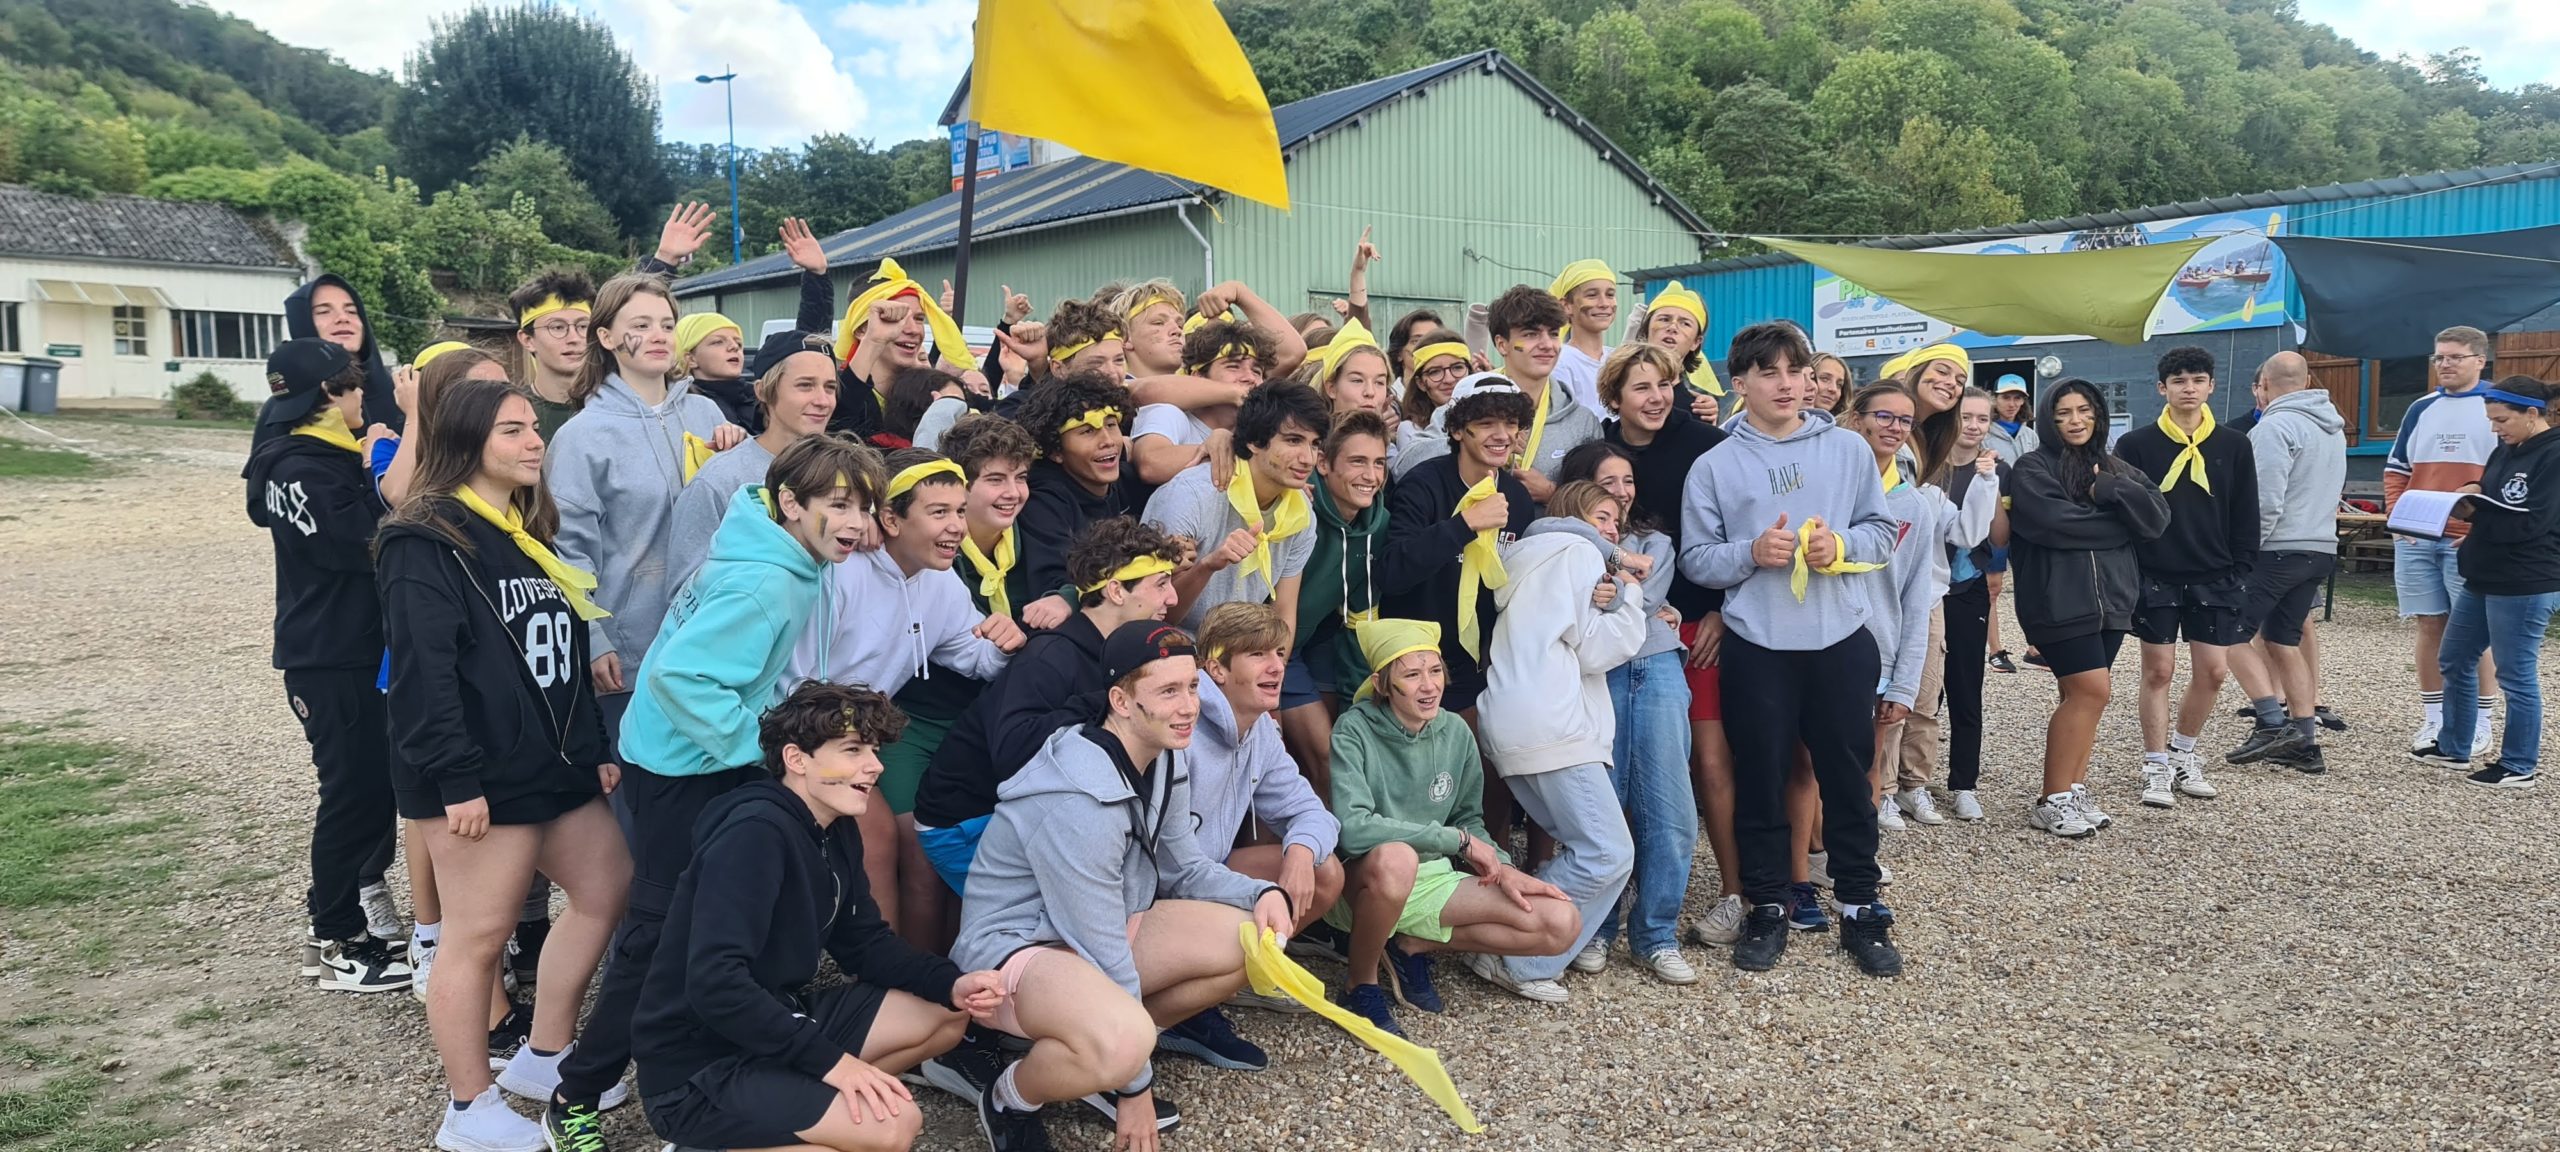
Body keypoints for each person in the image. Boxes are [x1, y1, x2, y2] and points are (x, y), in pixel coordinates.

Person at [543, 436, 882, 1149]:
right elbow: (681, 678)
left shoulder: (788, 551)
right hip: (681, 766)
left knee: (698, 924)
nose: (857, 522)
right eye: (840, 505)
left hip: (698, 753)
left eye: (867, 506)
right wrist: (766, 755)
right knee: (658, 933)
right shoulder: (766, 580)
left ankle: (717, 1065)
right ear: (791, 503)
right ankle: (575, 1091)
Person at [375, 378, 632, 1152]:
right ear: (465, 441)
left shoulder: (528, 532)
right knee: (477, 937)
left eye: (533, 428)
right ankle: (470, 1110)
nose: (534, 442)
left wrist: (591, 749)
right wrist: (457, 780)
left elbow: (562, 657)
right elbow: (425, 670)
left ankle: (545, 1056)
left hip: (550, 765)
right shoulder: (424, 538)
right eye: (513, 430)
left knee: (608, 885)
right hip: (478, 776)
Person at [953, 623, 1293, 1152]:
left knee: (1250, 940)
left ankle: (1098, 1046)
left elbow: (1188, 868)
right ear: (1121, 700)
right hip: (1017, 951)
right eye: (1167, 691)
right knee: (1124, 1042)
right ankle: (1010, 1096)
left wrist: (1263, 893)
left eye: (1193, 686)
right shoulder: (1077, 799)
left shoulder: (1164, 755)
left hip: (1102, 929)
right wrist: (1137, 1086)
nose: (1188, 707)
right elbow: (1099, 944)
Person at [630, 681, 1004, 1152]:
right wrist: (833, 1064)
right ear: (796, 759)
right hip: (699, 1064)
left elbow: (864, 942)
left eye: (872, 749)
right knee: (894, 1127)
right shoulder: (753, 837)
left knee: (946, 1013)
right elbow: (715, 982)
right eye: (852, 750)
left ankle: (789, 1114)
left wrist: (950, 982)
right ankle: (712, 1139)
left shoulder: (834, 825)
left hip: (772, 1024)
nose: (874, 766)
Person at [1677, 322, 1904, 977]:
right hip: (1759, 645)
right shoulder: (1716, 463)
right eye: (1768, 372)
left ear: (1811, 379)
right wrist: (1749, 553)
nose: (1785, 384)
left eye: (1794, 371)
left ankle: (1862, 907)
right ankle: (1767, 905)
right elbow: (1697, 560)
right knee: (1762, 779)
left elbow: (1883, 532)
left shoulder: (1848, 451)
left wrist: (1844, 546)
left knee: (1848, 780)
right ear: (1738, 383)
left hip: (1839, 640)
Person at [786, 450, 1023, 946]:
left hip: (864, 735)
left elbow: (970, 657)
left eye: (960, 511)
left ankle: (934, 973)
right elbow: (796, 677)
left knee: (925, 845)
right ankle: (885, 975)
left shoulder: (941, 580)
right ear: (890, 519)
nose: (957, 525)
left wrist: (1002, 644)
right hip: (805, 732)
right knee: (878, 838)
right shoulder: (842, 571)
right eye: (939, 512)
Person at [244, 336, 410, 993]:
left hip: (350, 650)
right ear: (324, 398)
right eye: (349, 387)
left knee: (370, 792)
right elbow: (365, 543)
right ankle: (336, 936)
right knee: (352, 795)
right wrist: (380, 474)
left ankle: (341, 932)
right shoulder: (300, 467)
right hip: (328, 656)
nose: (360, 397)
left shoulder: (302, 456)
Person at [1324, 620, 1580, 1036]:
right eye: (1411, 674)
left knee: (1560, 923)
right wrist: (1455, 842)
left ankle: (1409, 944)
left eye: (1435, 671)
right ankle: (1360, 982)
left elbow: (1467, 818)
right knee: (1397, 858)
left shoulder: (1456, 730)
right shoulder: (1354, 729)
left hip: (1432, 880)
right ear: (1382, 684)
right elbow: (1353, 830)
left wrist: (1502, 866)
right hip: (1366, 879)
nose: (1429, 686)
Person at [911, 518, 1185, 896]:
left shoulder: (1111, 652)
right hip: (967, 821)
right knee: (1077, 911)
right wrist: (1107, 705)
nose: (1172, 598)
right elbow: (1012, 751)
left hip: (1022, 812)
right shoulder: (1050, 654)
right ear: (1117, 591)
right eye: (1161, 584)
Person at [546, 275, 746, 747]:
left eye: (667, 324)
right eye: (640, 324)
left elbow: (739, 522)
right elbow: (565, 549)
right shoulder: (581, 437)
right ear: (606, 337)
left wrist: (738, 461)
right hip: (632, 654)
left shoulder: (708, 416)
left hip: (715, 638)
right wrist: (593, 638)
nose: (658, 335)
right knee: (641, 799)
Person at [1476, 479, 1649, 999]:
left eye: (1617, 519)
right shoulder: (1576, 553)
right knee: (1608, 852)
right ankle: (1513, 957)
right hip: (1552, 722)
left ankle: (1510, 942)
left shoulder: (1531, 555)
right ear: (1574, 515)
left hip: (1517, 718)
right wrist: (1632, 599)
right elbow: (1594, 651)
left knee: (1585, 847)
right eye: (1602, 516)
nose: (1611, 528)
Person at [1168, 603, 1346, 1063]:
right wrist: (1263, 890)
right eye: (1256, 655)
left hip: (1205, 872)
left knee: (1324, 870)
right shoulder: (1180, 730)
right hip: (1159, 890)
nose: (1276, 667)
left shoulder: (1260, 731)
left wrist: (1301, 852)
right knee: (1256, 913)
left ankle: (1214, 990)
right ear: (1216, 669)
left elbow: (1309, 808)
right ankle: (1167, 1014)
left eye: (1280, 653)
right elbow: (1170, 866)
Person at [1554, 440, 1699, 982]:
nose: (1620, 492)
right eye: (1606, 482)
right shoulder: (1561, 542)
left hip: (1657, 668)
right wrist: (1626, 594)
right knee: (1603, 801)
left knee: (1671, 805)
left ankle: (1656, 934)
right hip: (1594, 675)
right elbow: (1599, 599)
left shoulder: (1655, 541)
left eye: (1627, 481)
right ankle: (1598, 928)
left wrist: (1624, 593)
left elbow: (1627, 598)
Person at [2005, 378, 2172, 839]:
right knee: (2093, 692)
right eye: (2062, 414)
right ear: (2047, 419)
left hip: (2113, 601)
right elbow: (2056, 525)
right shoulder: (2032, 467)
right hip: (2058, 600)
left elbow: (2157, 517)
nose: (2074, 421)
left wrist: (2113, 491)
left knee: (2080, 697)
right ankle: (2052, 798)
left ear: (2097, 414)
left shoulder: (2113, 467)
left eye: (2083, 411)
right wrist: (2122, 525)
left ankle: (2072, 787)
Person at [1379, 373, 1538, 855]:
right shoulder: (1423, 485)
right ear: (1456, 430)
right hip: (1418, 656)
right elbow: (1391, 570)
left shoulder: (1518, 496)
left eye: (1510, 424)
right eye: (1485, 422)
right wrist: (1464, 525)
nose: (1500, 435)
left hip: (1482, 664)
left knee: (1489, 775)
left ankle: (1490, 868)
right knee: (1417, 783)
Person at [2114, 347, 2260, 802]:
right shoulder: (2136, 445)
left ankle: (2184, 752)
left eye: (2197, 380)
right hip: (2156, 571)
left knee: (2214, 671)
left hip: (2215, 572)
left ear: (2212, 386)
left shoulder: (2235, 444)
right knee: (2159, 671)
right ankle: (2155, 764)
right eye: (2178, 381)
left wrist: (2242, 566)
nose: (2188, 389)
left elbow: (2245, 510)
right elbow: (2123, 511)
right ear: (2162, 388)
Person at [2420, 376, 2558, 787]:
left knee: (2515, 674)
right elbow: (2494, 492)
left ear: (2532, 414)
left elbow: (2534, 521)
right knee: (2454, 658)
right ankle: (2454, 746)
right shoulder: (2507, 448)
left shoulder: (2554, 456)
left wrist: (2476, 512)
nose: (2495, 429)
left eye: (2502, 420)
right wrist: (2472, 492)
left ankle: (2519, 765)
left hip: (2526, 579)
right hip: (2483, 573)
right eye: (2491, 420)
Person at [2224, 352, 2349, 772]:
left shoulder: (2274, 427)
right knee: (2283, 638)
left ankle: (2271, 722)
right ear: (2307, 380)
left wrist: (2242, 553)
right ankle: (2306, 743)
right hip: (2319, 547)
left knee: (2227, 630)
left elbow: (2265, 500)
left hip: (2277, 547)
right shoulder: (2332, 427)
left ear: (2262, 385)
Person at [2387, 325, 2504, 756]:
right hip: (2418, 536)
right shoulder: (2421, 407)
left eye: (2455, 356)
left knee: (2475, 632)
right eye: (2439, 357)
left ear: (2479, 360)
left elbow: (2508, 476)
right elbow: (2397, 467)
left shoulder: (2497, 406)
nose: (2445, 364)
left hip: (2468, 538)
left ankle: (2480, 720)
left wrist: (2484, 528)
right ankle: (2434, 719)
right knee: (2428, 624)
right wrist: (2399, 518)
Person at [668, 331, 848, 586]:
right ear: (763, 391)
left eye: (830, 387)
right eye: (805, 385)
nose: (822, 401)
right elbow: (684, 588)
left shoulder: (846, 472)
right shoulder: (721, 479)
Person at [1145, 380, 1326, 633]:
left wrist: (1275, 668)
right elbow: (1154, 615)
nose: (1308, 458)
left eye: (1315, 444)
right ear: (1254, 441)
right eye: (1294, 441)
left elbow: (1284, 614)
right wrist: (1208, 566)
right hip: (1169, 648)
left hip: (1239, 653)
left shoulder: (1301, 513)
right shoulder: (1192, 494)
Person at [1277, 410, 1388, 802]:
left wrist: (1361, 702)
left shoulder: (1377, 523)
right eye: (1357, 461)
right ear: (1323, 463)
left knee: (1341, 751)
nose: (1370, 476)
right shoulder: (1295, 505)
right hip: (1274, 647)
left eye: (1379, 464)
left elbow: (1362, 618)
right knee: (1323, 755)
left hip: (1318, 646)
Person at [1397, 286, 1599, 491]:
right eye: (1531, 334)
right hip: (1470, 522)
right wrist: (1468, 446)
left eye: (1554, 334)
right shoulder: (1465, 404)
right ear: (1502, 344)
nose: (1547, 344)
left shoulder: (1581, 422)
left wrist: (1551, 492)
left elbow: (1599, 498)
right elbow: (1403, 466)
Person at [1937, 387, 2012, 821]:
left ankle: (1964, 781)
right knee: (1924, 690)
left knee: (1967, 687)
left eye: (1982, 419)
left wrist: (1993, 487)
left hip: (1968, 585)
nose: (1973, 426)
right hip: (1925, 589)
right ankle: (1909, 777)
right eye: (1966, 416)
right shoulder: (1925, 464)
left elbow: (1999, 538)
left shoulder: (1995, 469)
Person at [1013, 371, 1139, 629]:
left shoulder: (1125, 479)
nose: (1108, 442)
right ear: (1056, 450)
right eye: (1087, 431)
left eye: (1111, 424)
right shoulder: (1043, 501)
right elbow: (1054, 585)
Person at [830, 258, 978, 440]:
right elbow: (837, 427)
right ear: (861, 329)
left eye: (919, 318)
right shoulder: (832, 394)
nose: (914, 330)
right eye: (896, 318)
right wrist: (874, 341)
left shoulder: (933, 390)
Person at [1127, 317, 1264, 489]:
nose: (1250, 378)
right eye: (1233, 366)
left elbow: (1293, 354)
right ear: (1199, 376)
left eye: (1257, 371)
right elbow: (1151, 464)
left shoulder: (1261, 431)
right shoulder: (1170, 413)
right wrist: (1229, 453)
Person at [268, 275, 400, 449]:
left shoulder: (402, 393)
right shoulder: (287, 409)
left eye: (352, 311)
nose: (342, 318)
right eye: (324, 312)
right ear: (302, 323)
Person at [506, 270, 598, 440]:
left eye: (583, 326)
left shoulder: (618, 407)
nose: (574, 338)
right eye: (557, 327)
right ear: (527, 340)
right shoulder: (510, 413)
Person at [1549, 259, 1620, 420]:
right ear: (1566, 306)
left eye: (1610, 295)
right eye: (1592, 295)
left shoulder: (1618, 358)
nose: (1604, 303)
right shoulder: (1559, 361)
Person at [1988, 375, 2040, 463]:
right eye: (2006, 397)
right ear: (1994, 399)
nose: (2012, 404)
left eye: (2017, 398)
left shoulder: (2030, 436)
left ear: (2023, 401)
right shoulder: (1983, 434)